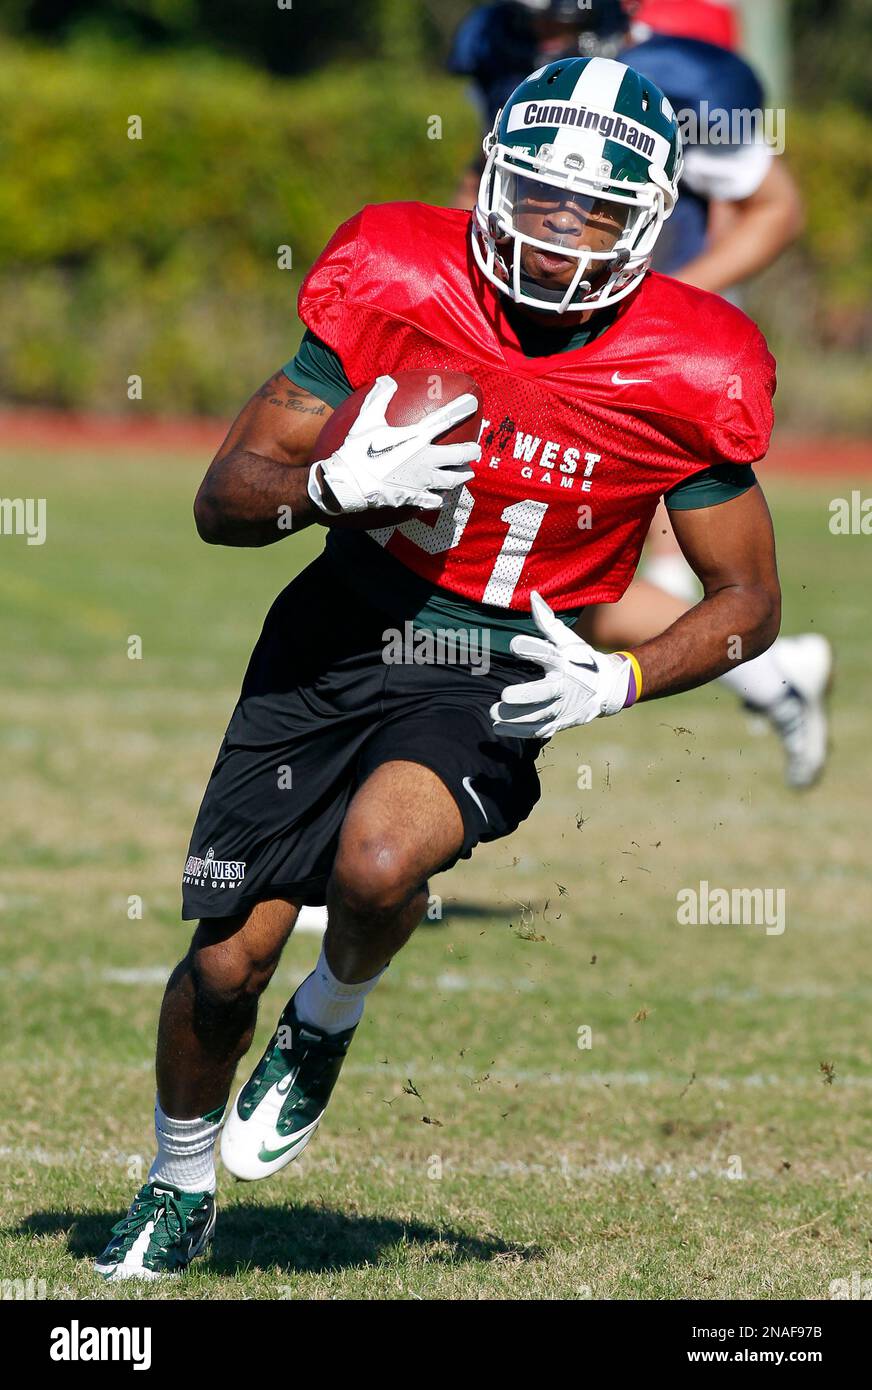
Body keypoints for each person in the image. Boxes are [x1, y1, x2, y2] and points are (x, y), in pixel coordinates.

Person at [97, 56, 784, 1279]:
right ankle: (177, 1180)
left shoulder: (693, 362)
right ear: (489, 182)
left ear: (650, 221)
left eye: (593, 213)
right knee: (223, 959)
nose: (557, 236)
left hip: (500, 657)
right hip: (338, 625)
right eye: (535, 197)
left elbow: (747, 600)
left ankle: (326, 1022)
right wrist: (322, 487)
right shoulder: (398, 273)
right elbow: (221, 500)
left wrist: (617, 681)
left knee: (375, 862)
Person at [448, 0, 828, 788]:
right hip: (532, 341)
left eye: (553, 26)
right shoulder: (494, 43)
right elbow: (488, 175)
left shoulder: (683, 79)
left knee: (561, 575)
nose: (538, 41)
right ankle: (775, 676)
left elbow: (776, 207)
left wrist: (665, 307)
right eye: (531, 27)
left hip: (632, 364)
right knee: (557, 579)